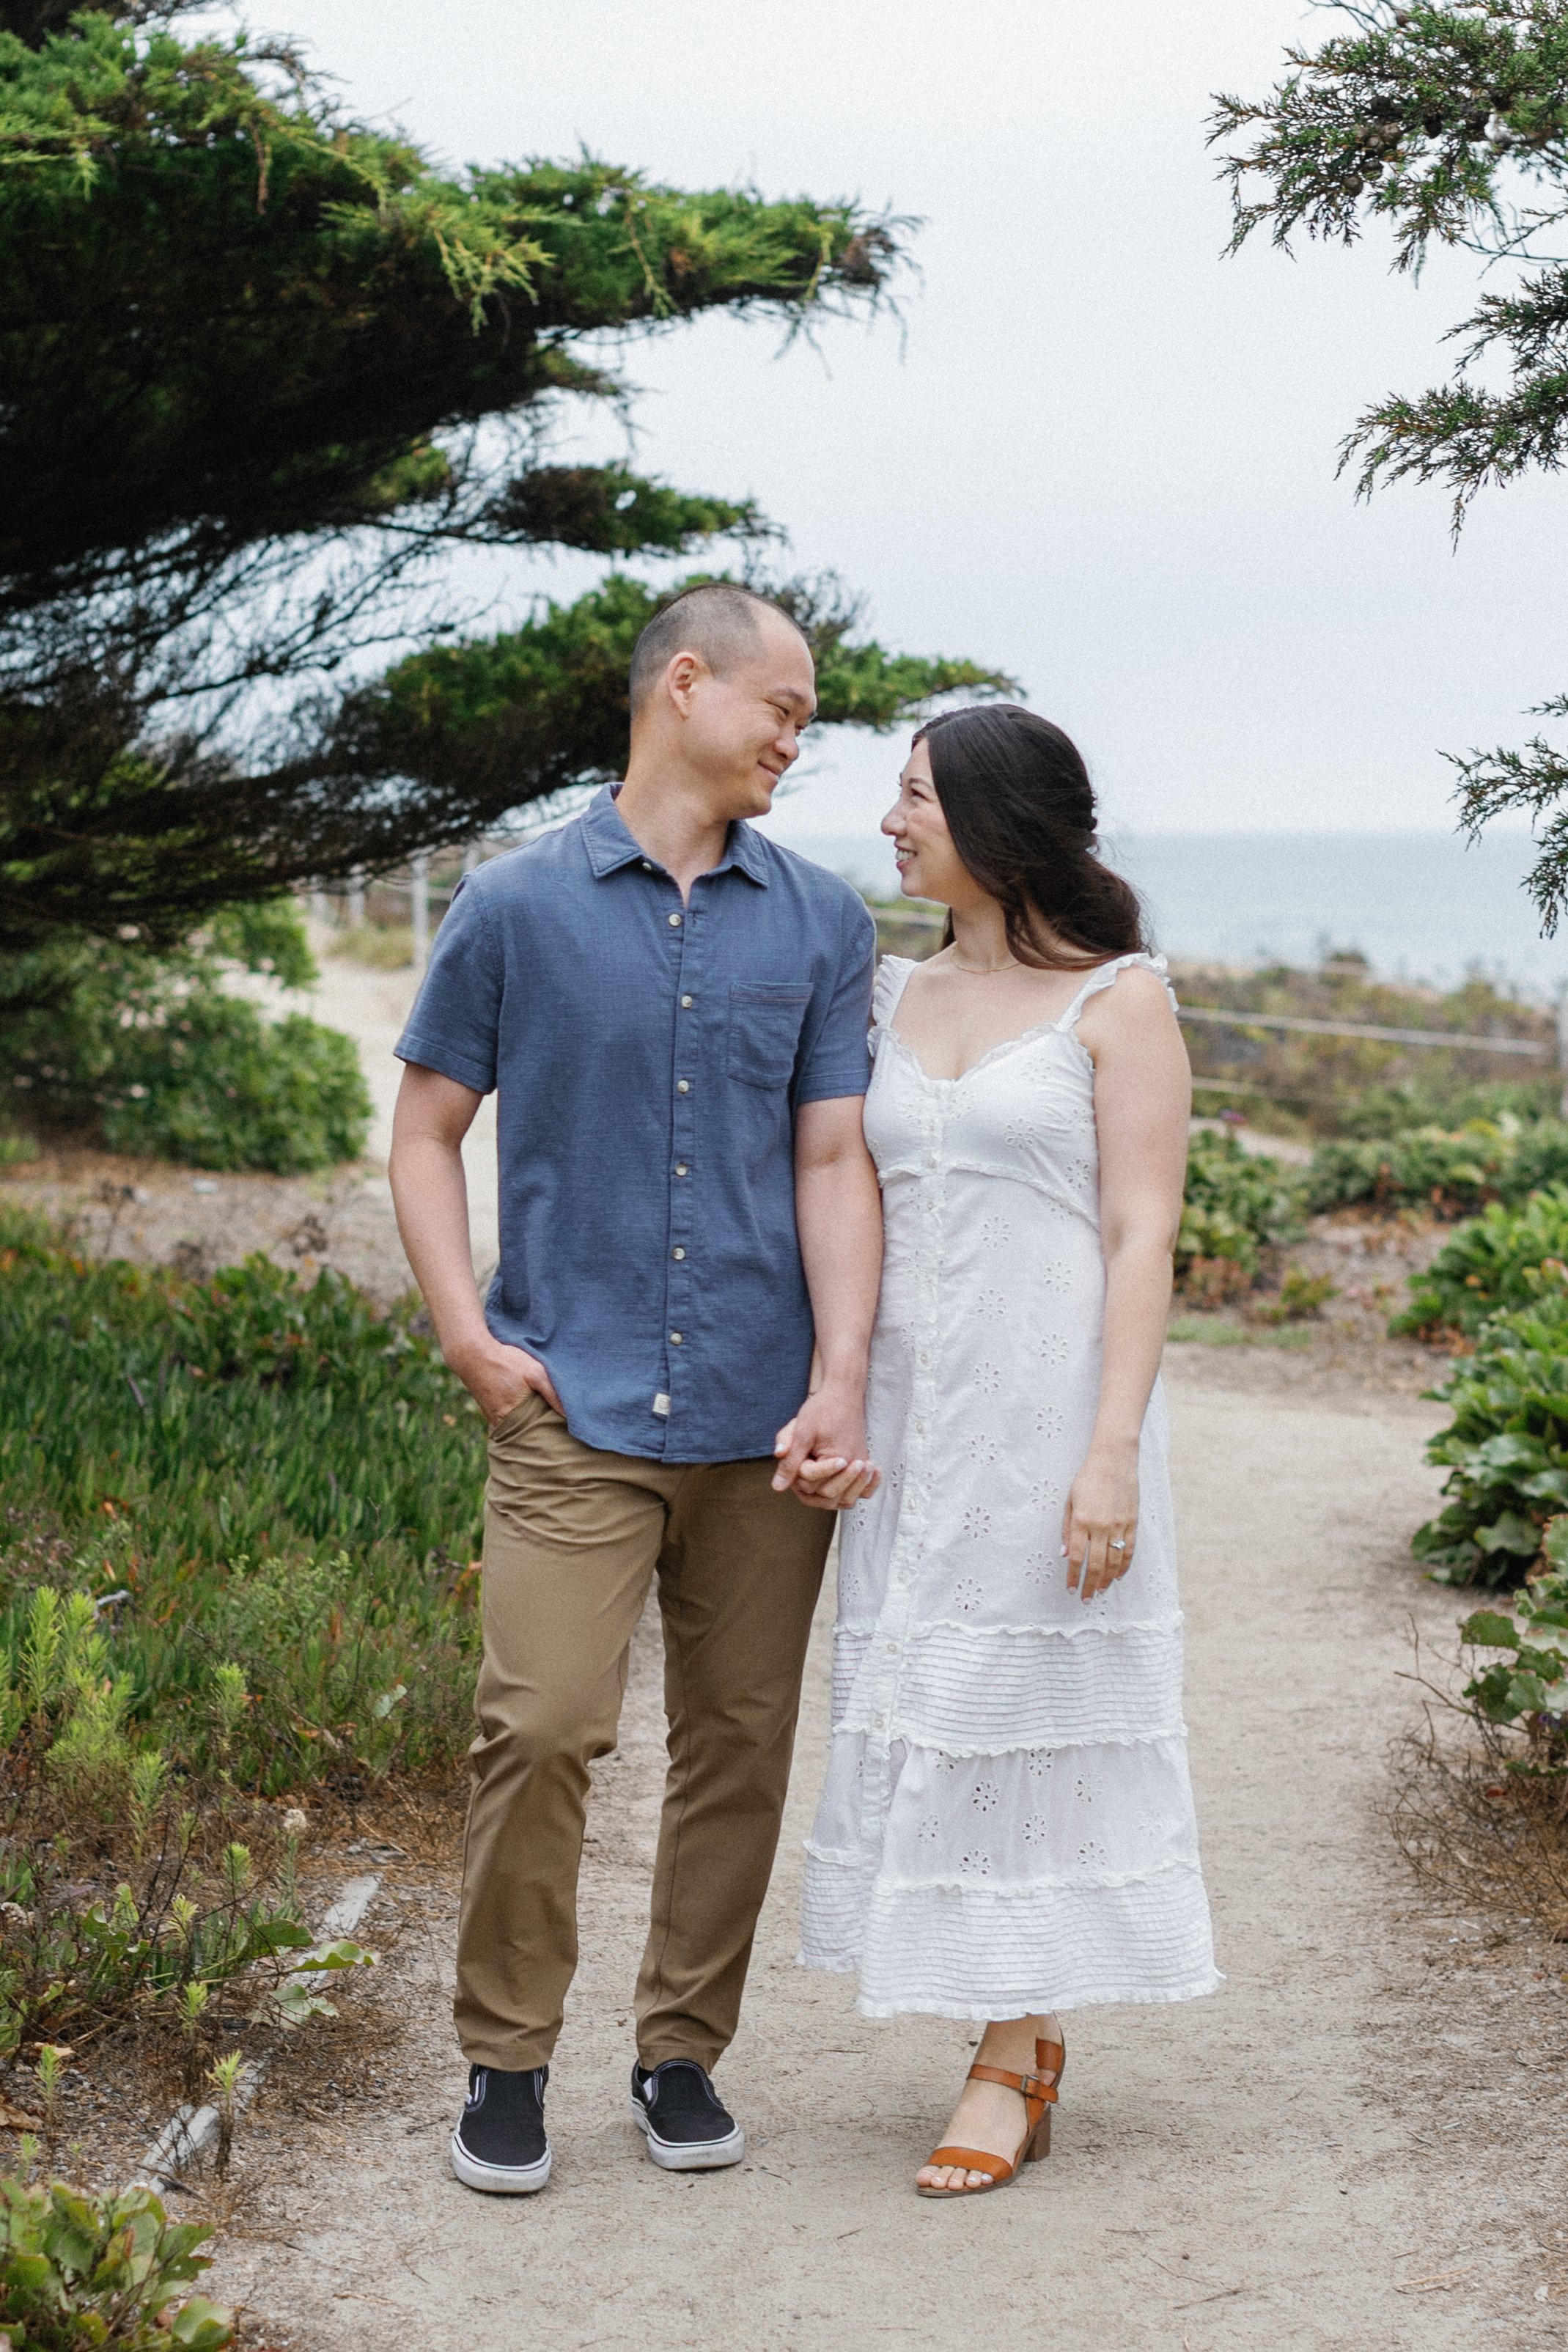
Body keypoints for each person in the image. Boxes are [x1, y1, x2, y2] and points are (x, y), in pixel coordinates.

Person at [389, 583, 883, 2196]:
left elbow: (830, 1160)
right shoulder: (512, 906)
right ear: (686, 685)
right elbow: (426, 1131)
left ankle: (680, 2052)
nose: (795, 742)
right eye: (782, 709)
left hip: (760, 1413)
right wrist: (466, 1334)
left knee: (739, 1744)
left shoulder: (824, 923)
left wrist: (838, 1376)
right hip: (571, 1404)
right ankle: (504, 2058)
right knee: (536, 1727)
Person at [793, 703, 1219, 2197]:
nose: (890, 823)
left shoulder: (1119, 1001)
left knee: (1016, 1718)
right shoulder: (884, 991)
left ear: (999, 820)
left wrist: (1110, 1451)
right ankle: (1015, 2037)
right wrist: (837, 1388)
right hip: (915, 1426)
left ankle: (1008, 2051)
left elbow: (1140, 1232)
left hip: (1051, 1417)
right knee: (936, 1710)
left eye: (914, 797)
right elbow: (840, 1183)